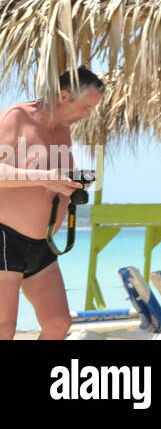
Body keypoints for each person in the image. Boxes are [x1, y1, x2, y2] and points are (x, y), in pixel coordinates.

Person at [0, 66, 103, 340]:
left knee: (58, 323)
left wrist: (72, 185)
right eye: (85, 107)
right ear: (65, 96)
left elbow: (55, 178)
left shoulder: (62, 132)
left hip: (42, 244)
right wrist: (45, 178)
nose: (86, 115)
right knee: (4, 327)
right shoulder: (18, 117)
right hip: (5, 237)